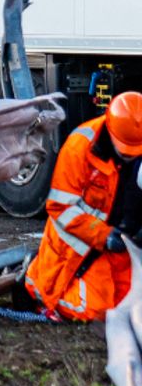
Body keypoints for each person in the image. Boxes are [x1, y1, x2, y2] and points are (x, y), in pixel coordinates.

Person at [24, 91, 142, 321]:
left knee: (130, 306)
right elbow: (60, 208)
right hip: (82, 248)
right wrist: (105, 236)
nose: (130, 157)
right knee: (97, 312)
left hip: (120, 244)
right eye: (126, 151)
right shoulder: (80, 147)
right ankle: (34, 280)